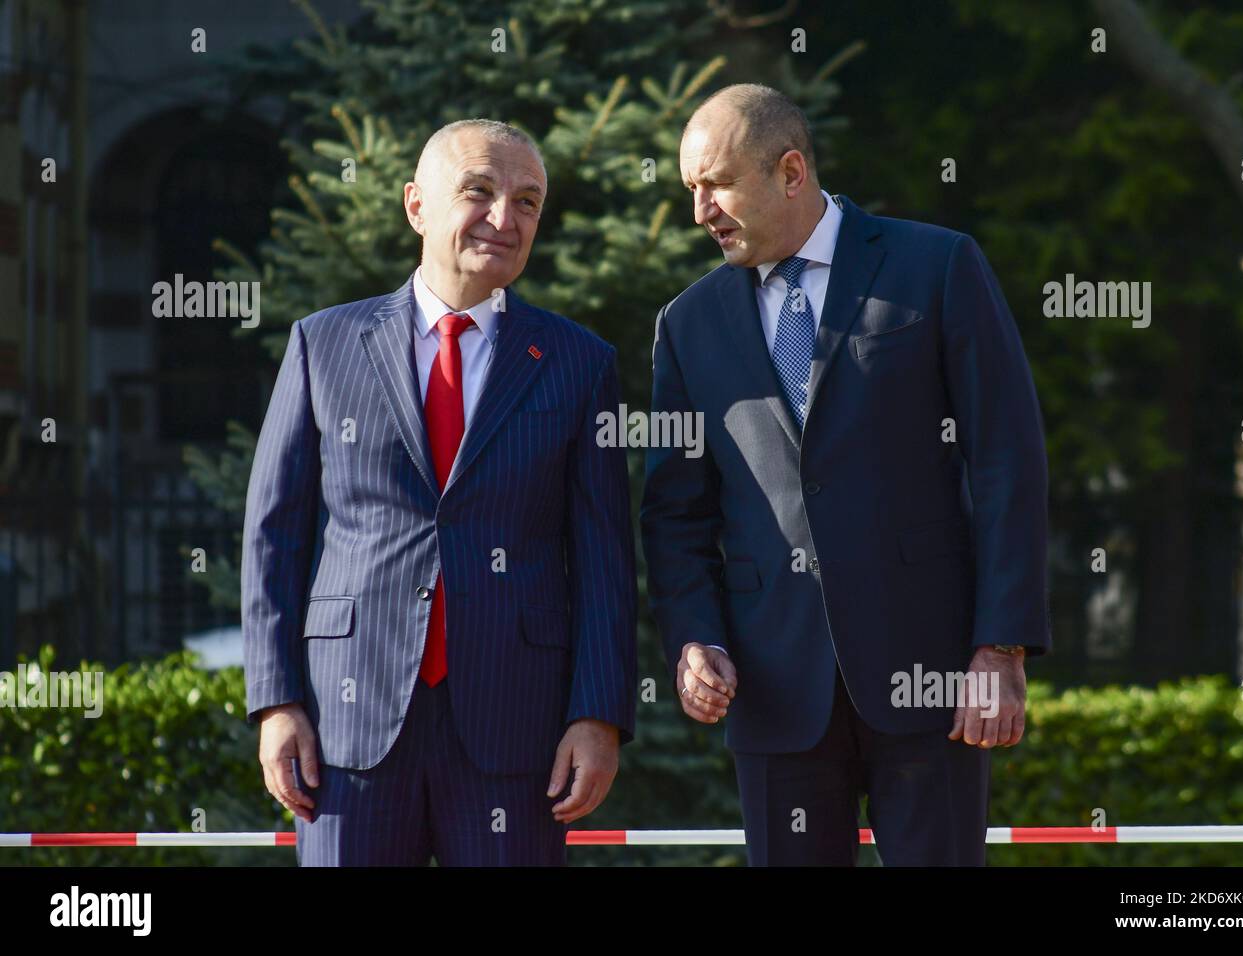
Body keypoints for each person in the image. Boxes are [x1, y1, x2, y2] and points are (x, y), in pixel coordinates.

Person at [641, 84, 1050, 866]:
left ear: (791, 172)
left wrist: (1002, 644)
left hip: (931, 679)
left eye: (716, 184)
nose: (702, 212)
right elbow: (676, 514)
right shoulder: (688, 323)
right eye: (690, 189)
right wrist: (694, 637)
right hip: (773, 690)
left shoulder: (937, 265)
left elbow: (1006, 458)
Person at [242, 119, 637, 866]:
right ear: (416, 206)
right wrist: (276, 701)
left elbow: (605, 558)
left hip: (516, 730)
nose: (504, 218)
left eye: (527, 201)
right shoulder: (323, 345)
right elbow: (274, 534)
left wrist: (598, 716)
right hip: (346, 729)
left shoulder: (580, 363)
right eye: (479, 192)